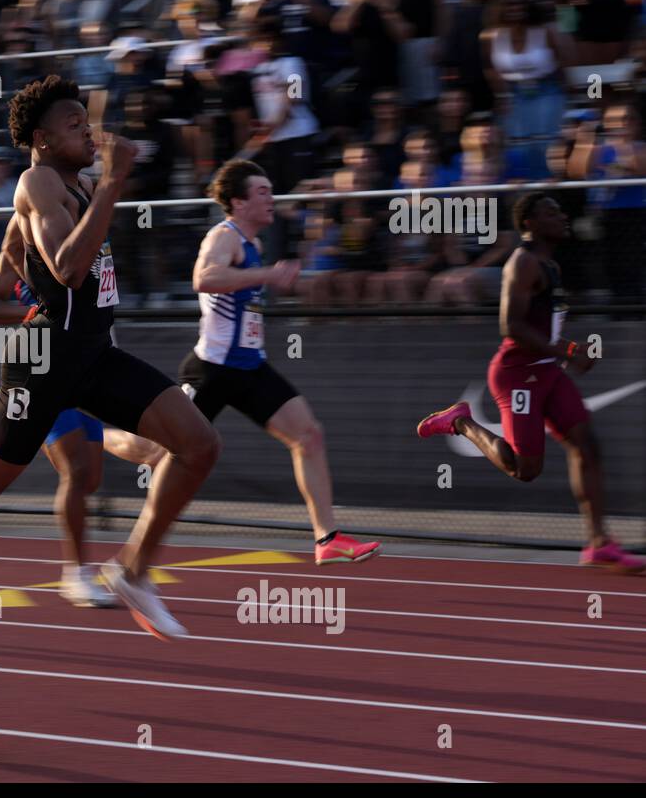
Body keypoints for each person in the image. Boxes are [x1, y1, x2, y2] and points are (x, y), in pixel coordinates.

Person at [0, 75, 221, 641]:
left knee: (198, 444)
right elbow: (67, 269)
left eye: (89, 124)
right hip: (41, 362)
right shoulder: (38, 181)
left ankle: (133, 571)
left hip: (93, 354)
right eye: (75, 126)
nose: (90, 134)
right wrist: (115, 183)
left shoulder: (83, 188)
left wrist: (105, 186)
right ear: (41, 138)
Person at [417, 193, 645, 573]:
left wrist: (570, 349)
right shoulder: (522, 262)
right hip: (517, 375)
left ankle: (599, 543)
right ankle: (461, 422)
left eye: (560, 210)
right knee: (525, 469)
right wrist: (569, 354)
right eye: (551, 213)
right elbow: (512, 326)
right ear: (530, 224)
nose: (561, 216)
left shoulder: (549, 264)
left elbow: (544, 327)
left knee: (587, 446)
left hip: (547, 370)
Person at [182, 159, 382, 566]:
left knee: (309, 436)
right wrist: (268, 277)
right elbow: (204, 278)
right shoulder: (225, 236)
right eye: (262, 192)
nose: (272, 199)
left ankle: (327, 537)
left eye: (271, 191)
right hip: (213, 369)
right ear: (238, 202)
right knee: (154, 452)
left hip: (250, 368)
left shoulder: (253, 246)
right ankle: (96, 435)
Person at [0, 217, 165, 606]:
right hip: (43, 368)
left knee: (90, 476)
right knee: (76, 471)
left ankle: (116, 565)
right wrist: (36, 315)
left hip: (90, 366)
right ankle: (76, 574)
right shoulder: (23, 248)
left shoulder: (90, 234)